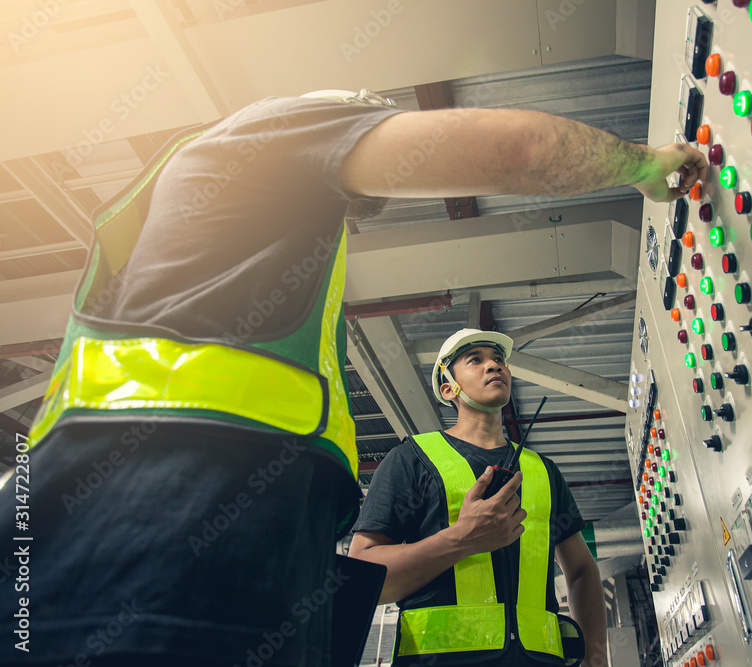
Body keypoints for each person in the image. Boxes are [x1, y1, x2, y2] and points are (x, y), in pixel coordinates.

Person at [0, 85, 708, 667]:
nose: (492, 366)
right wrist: (646, 166)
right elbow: (518, 149)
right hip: (154, 571)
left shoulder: (191, 233)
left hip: (123, 566)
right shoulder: (278, 129)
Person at [349, 328, 603, 666]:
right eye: (475, 360)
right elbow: (364, 578)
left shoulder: (543, 470)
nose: (494, 366)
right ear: (448, 388)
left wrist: (596, 658)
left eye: (499, 360)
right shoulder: (412, 458)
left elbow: (583, 569)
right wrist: (462, 539)